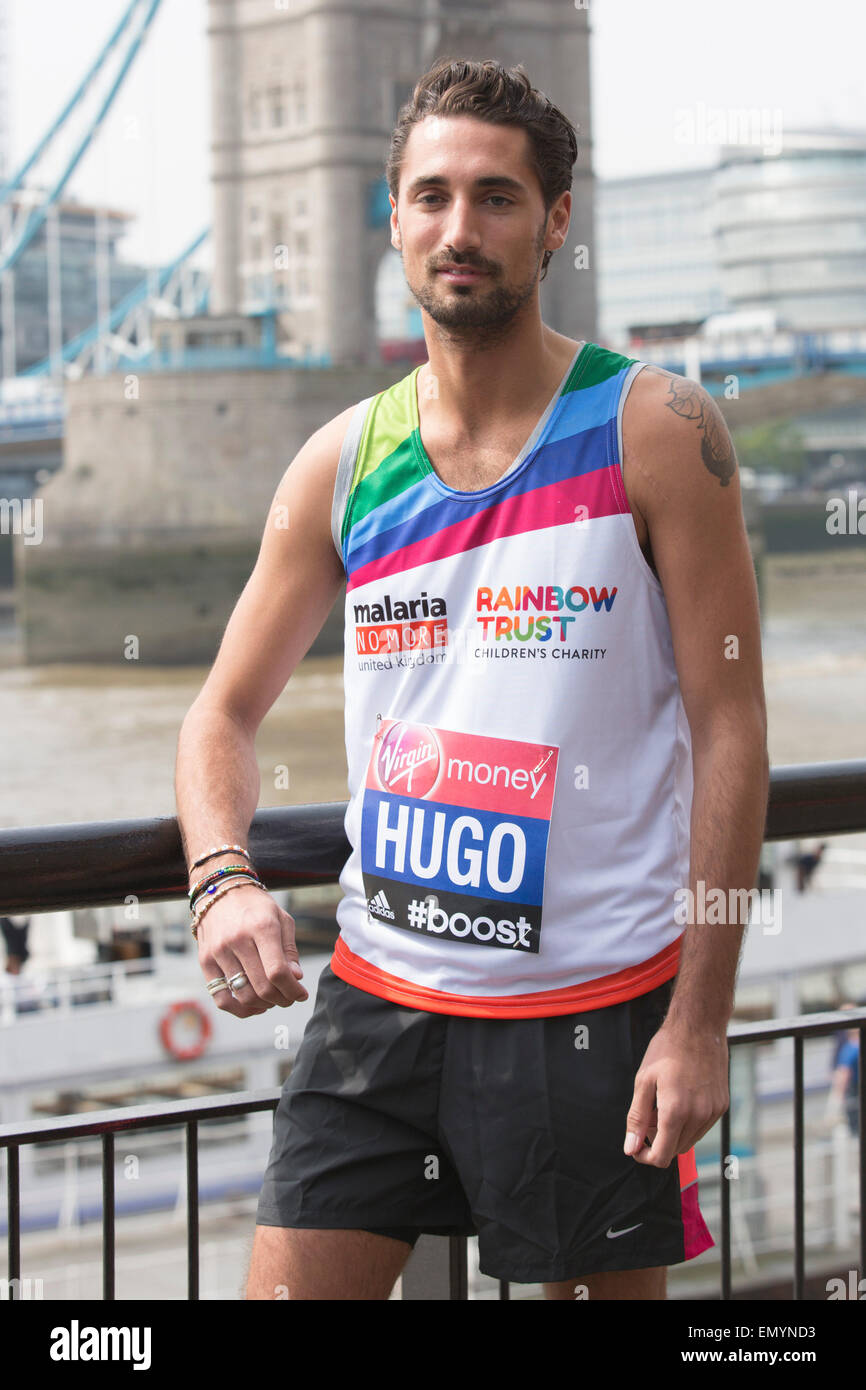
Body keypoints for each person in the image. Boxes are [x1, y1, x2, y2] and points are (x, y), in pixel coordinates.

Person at [175, 58, 769, 1301]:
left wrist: (699, 1017)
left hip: (593, 1009)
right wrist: (222, 878)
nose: (460, 229)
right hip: (375, 997)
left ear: (556, 222)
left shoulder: (654, 427)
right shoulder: (343, 461)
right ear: (391, 214)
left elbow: (729, 729)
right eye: (431, 195)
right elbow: (220, 713)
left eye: (497, 198)